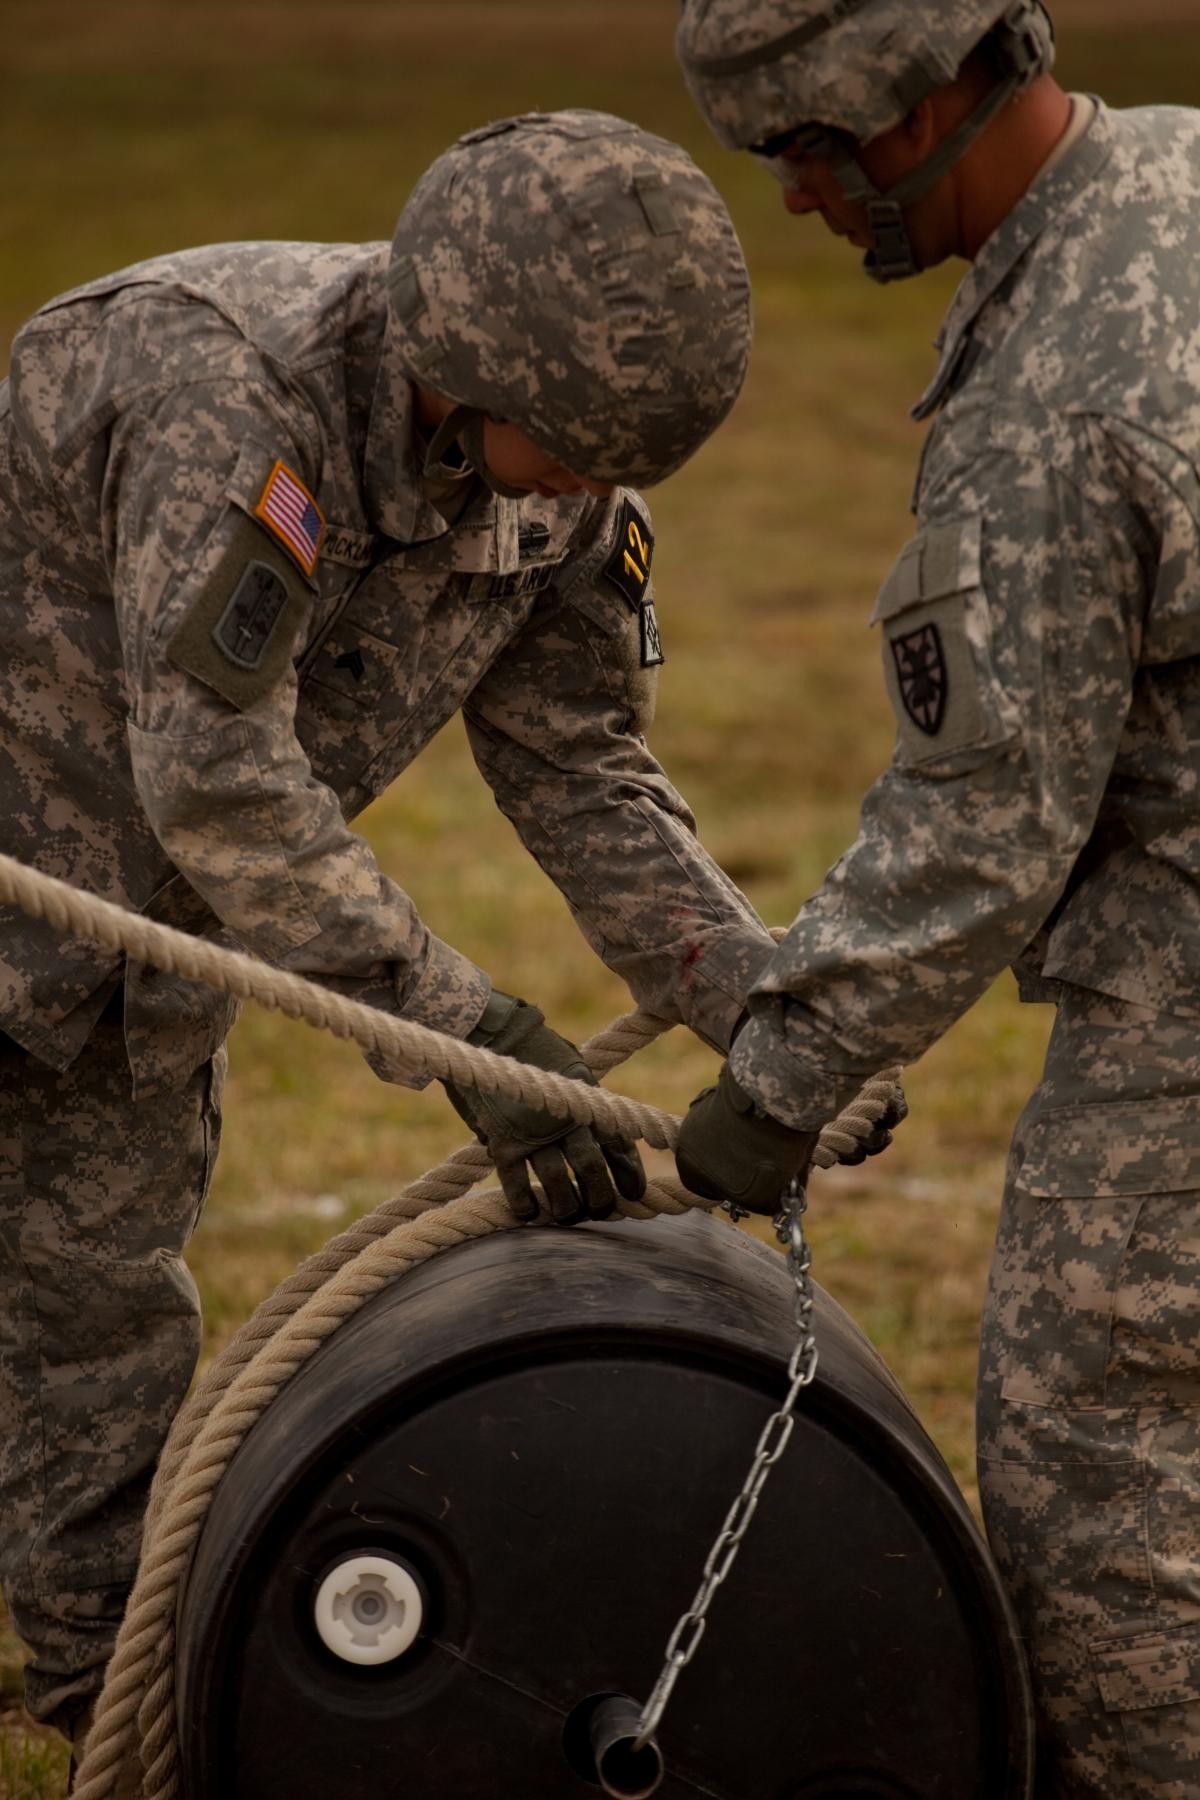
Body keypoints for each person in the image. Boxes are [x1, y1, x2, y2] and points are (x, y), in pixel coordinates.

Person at [0, 109, 784, 1778]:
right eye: (568, 449)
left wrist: (758, 1004)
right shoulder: (229, 397)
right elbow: (213, 780)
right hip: (44, 891)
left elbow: (584, 767)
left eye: (618, 460)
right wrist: (464, 1031)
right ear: (458, 370)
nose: (592, 491)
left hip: (123, 997)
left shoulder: (563, 471)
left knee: (93, 1374)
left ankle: (118, 1733)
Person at [673, 3, 1200, 1795]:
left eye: (798, 159)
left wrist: (778, 1084)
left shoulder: (1056, 393)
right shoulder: (1182, 175)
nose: (801, 205)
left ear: (897, 118)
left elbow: (982, 828)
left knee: (1107, 1506)